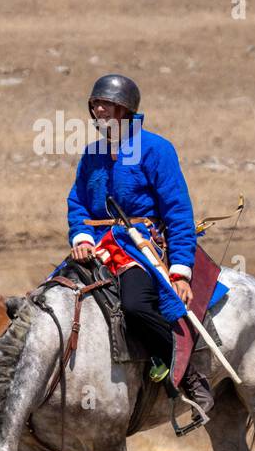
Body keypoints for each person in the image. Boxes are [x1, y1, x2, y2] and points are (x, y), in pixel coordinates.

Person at [66, 73, 213, 416]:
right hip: (100, 245)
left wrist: (180, 272)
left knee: (134, 305)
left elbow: (178, 211)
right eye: (95, 104)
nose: (97, 109)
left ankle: (188, 374)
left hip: (139, 246)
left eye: (105, 104)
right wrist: (82, 238)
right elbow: (77, 203)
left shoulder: (157, 149)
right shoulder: (93, 154)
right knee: (55, 294)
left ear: (124, 110)